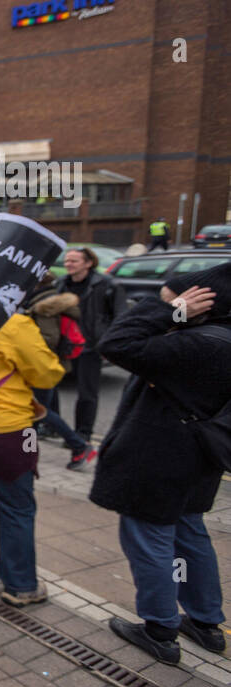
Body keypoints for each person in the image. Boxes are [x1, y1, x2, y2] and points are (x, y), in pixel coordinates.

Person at [91, 264, 231, 663]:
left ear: (202, 303)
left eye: (174, 299)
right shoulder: (220, 339)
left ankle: (160, 628)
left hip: (158, 457)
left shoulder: (194, 344)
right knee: (189, 533)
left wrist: (172, 311)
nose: (165, 303)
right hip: (201, 458)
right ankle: (205, 623)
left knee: (150, 540)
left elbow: (116, 342)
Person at [0, 293, 66, 606]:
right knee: (17, 506)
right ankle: (20, 584)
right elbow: (48, 373)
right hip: (11, 429)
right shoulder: (14, 324)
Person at [54, 247, 127, 443]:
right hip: (65, 346)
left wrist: (107, 343)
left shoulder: (107, 285)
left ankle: (83, 433)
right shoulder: (61, 284)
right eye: (67, 261)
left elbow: (120, 317)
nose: (68, 264)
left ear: (88, 263)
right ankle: (53, 428)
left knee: (87, 393)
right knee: (51, 387)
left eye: (74, 261)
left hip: (90, 347)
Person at [24, 277, 95, 469]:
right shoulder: (51, 301)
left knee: (38, 412)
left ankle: (79, 446)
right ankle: (28, 454)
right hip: (50, 366)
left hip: (42, 367)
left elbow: (48, 339)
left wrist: (21, 339)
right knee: (36, 413)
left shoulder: (44, 308)